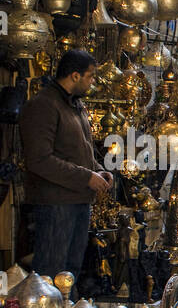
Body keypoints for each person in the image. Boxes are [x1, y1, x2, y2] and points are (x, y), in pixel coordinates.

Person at [19, 49, 112, 277]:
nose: (92, 82)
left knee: (71, 270)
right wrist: (86, 177)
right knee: (52, 269)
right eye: (90, 76)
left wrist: (99, 171)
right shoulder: (44, 105)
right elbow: (40, 160)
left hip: (79, 200)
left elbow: (81, 151)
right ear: (74, 76)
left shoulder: (76, 106)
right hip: (55, 203)